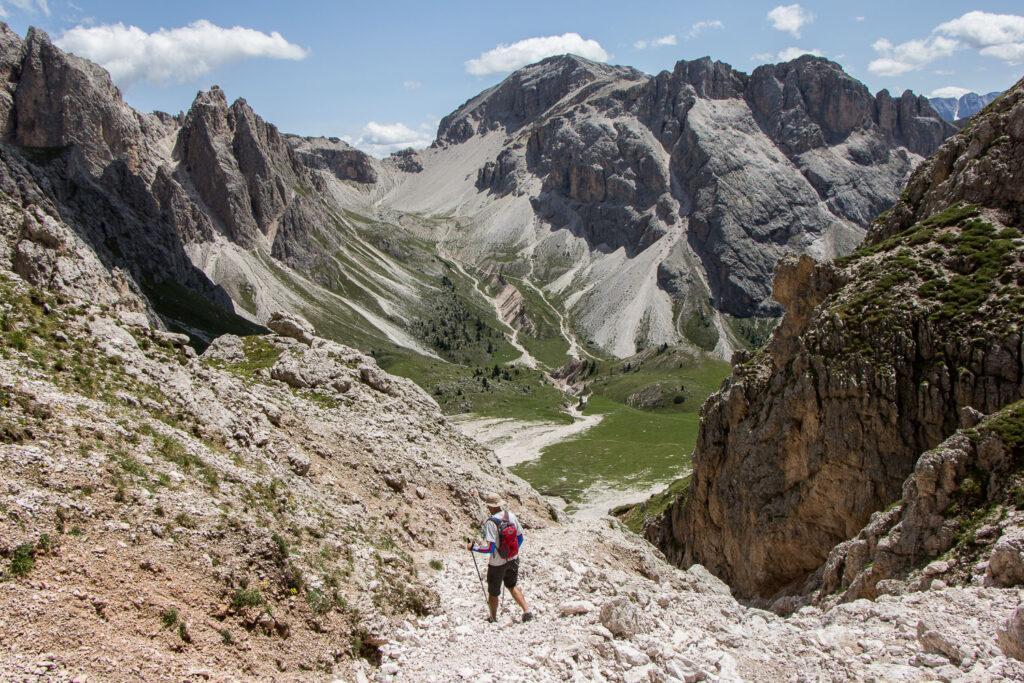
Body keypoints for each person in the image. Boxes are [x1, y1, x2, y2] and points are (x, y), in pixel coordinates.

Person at [467, 491, 534, 623]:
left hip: (497, 564)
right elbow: (520, 537)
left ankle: (493, 617)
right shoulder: (511, 516)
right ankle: (527, 611)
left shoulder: (490, 523)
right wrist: (512, 552)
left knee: (493, 592)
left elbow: (490, 549)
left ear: (489, 507)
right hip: (514, 559)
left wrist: (473, 548)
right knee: (512, 585)